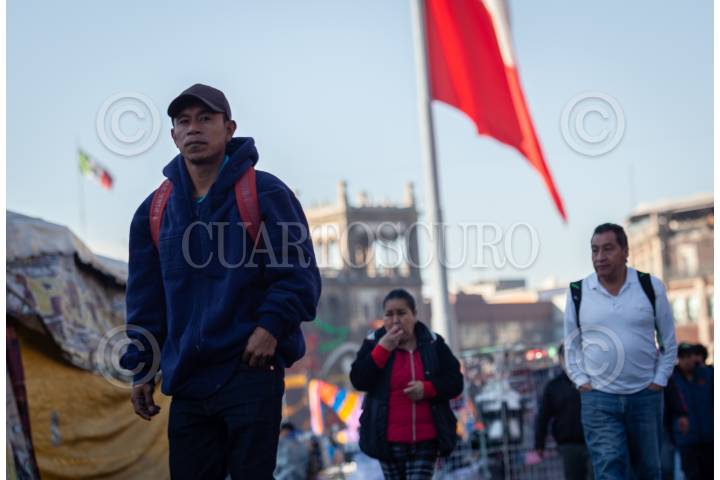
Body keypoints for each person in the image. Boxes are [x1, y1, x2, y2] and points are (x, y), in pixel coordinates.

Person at [120, 83, 321, 479]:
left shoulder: (265, 193)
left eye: (206, 119)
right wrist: (142, 368)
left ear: (229, 129)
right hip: (189, 383)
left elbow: (299, 275)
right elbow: (145, 300)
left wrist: (270, 328)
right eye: (184, 121)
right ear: (174, 135)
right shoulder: (153, 212)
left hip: (250, 371)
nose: (194, 128)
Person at [564, 223, 677, 480]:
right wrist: (582, 381)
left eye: (607, 249)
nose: (600, 257)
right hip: (599, 398)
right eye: (594, 250)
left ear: (625, 251)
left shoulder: (650, 287)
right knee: (609, 469)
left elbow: (669, 343)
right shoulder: (578, 292)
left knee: (649, 470)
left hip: (645, 396)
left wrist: (659, 381)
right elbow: (571, 346)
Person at [350, 288, 464, 480]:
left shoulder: (433, 343)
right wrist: (382, 350)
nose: (395, 320)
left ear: (414, 315)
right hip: (386, 440)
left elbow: (455, 382)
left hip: (426, 439)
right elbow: (359, 380)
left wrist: (428, 388)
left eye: (402, 313)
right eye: (389, 314)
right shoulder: (372, 343)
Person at [533, 344, 592, 480]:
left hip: (593, 439)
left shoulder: (591, 381)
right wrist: (539, 444)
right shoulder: (554, 387)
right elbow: (543, 416)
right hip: (569, 444)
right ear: (561, 359)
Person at [671, 343, 713, 480]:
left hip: (709, 437)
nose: (687, 360)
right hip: (686, 439)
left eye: (689, 356)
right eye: (683, 357)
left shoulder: (707, 374)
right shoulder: (671, 380)